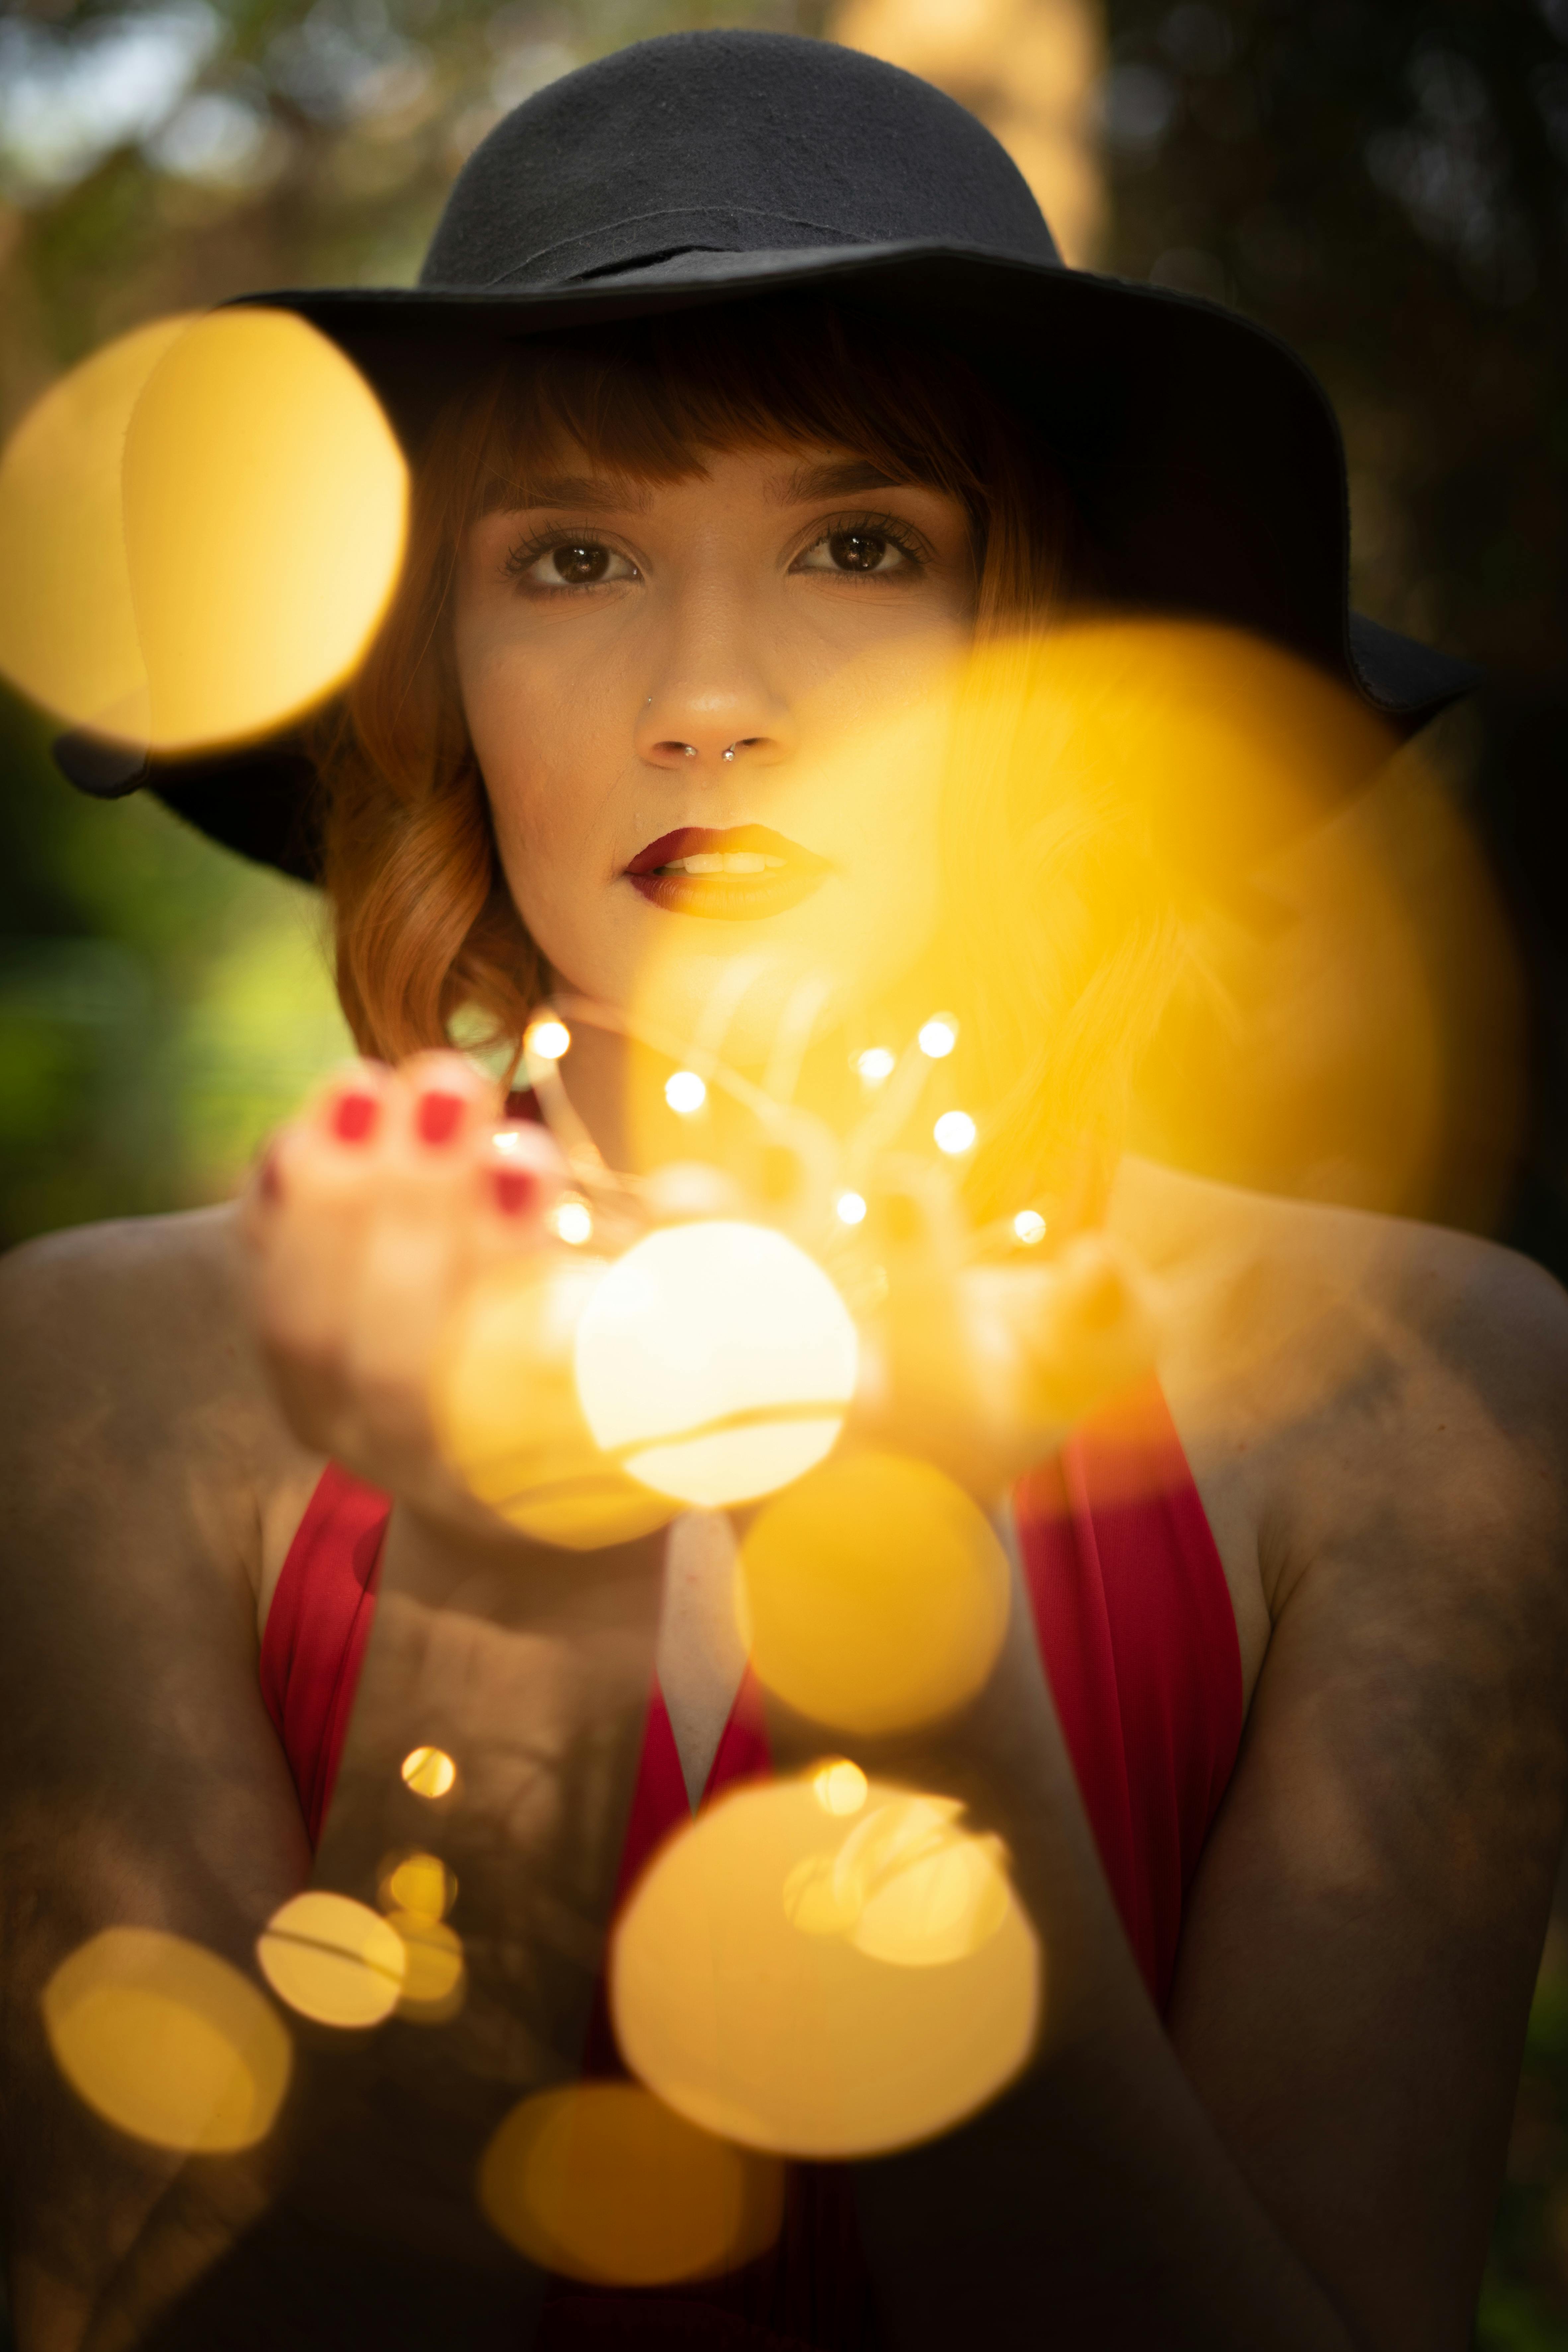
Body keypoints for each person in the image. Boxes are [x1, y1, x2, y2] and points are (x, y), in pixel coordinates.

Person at [5, 29, 1568, 2352]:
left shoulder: (1440, 1390)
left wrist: (900, 1633)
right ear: (437, 671)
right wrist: (486, 1591)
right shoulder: (93, 1368)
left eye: (856, 544)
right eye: (574, 556)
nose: (710, 695)